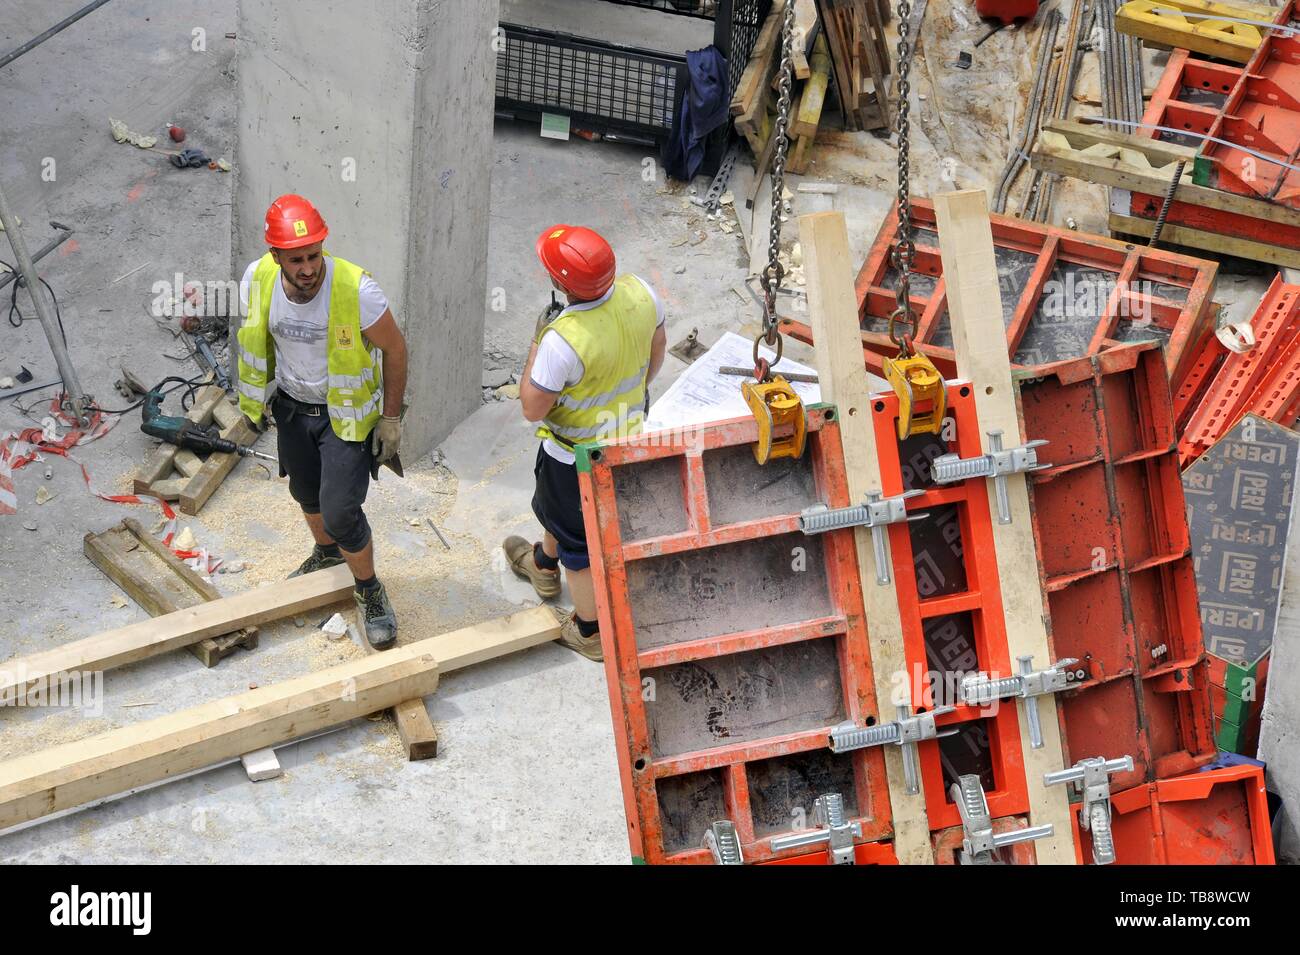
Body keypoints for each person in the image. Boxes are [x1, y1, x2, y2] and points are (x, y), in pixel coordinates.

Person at [237, 194, 408, 648]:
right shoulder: (258, 280)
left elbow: (396, 349)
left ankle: (369, 589)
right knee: (304, 493)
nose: (308, 268)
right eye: (296, 260)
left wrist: (391, 418)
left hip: (344, 418)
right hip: (293, 408)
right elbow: (257, 340)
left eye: (314, 255)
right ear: (276, 256)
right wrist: (253, 403)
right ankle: (328, 553)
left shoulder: (357, 290)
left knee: (340, 510)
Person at [503, 225, 667, 661]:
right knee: (562, 516)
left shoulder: (562, 339)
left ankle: (588, 630)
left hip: (572, 455)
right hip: (626, 442)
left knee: (578, 543)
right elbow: (656, 356)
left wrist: (538, 341)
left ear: (559, 283)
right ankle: (541, 566)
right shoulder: (642, 294)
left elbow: (532, 407)